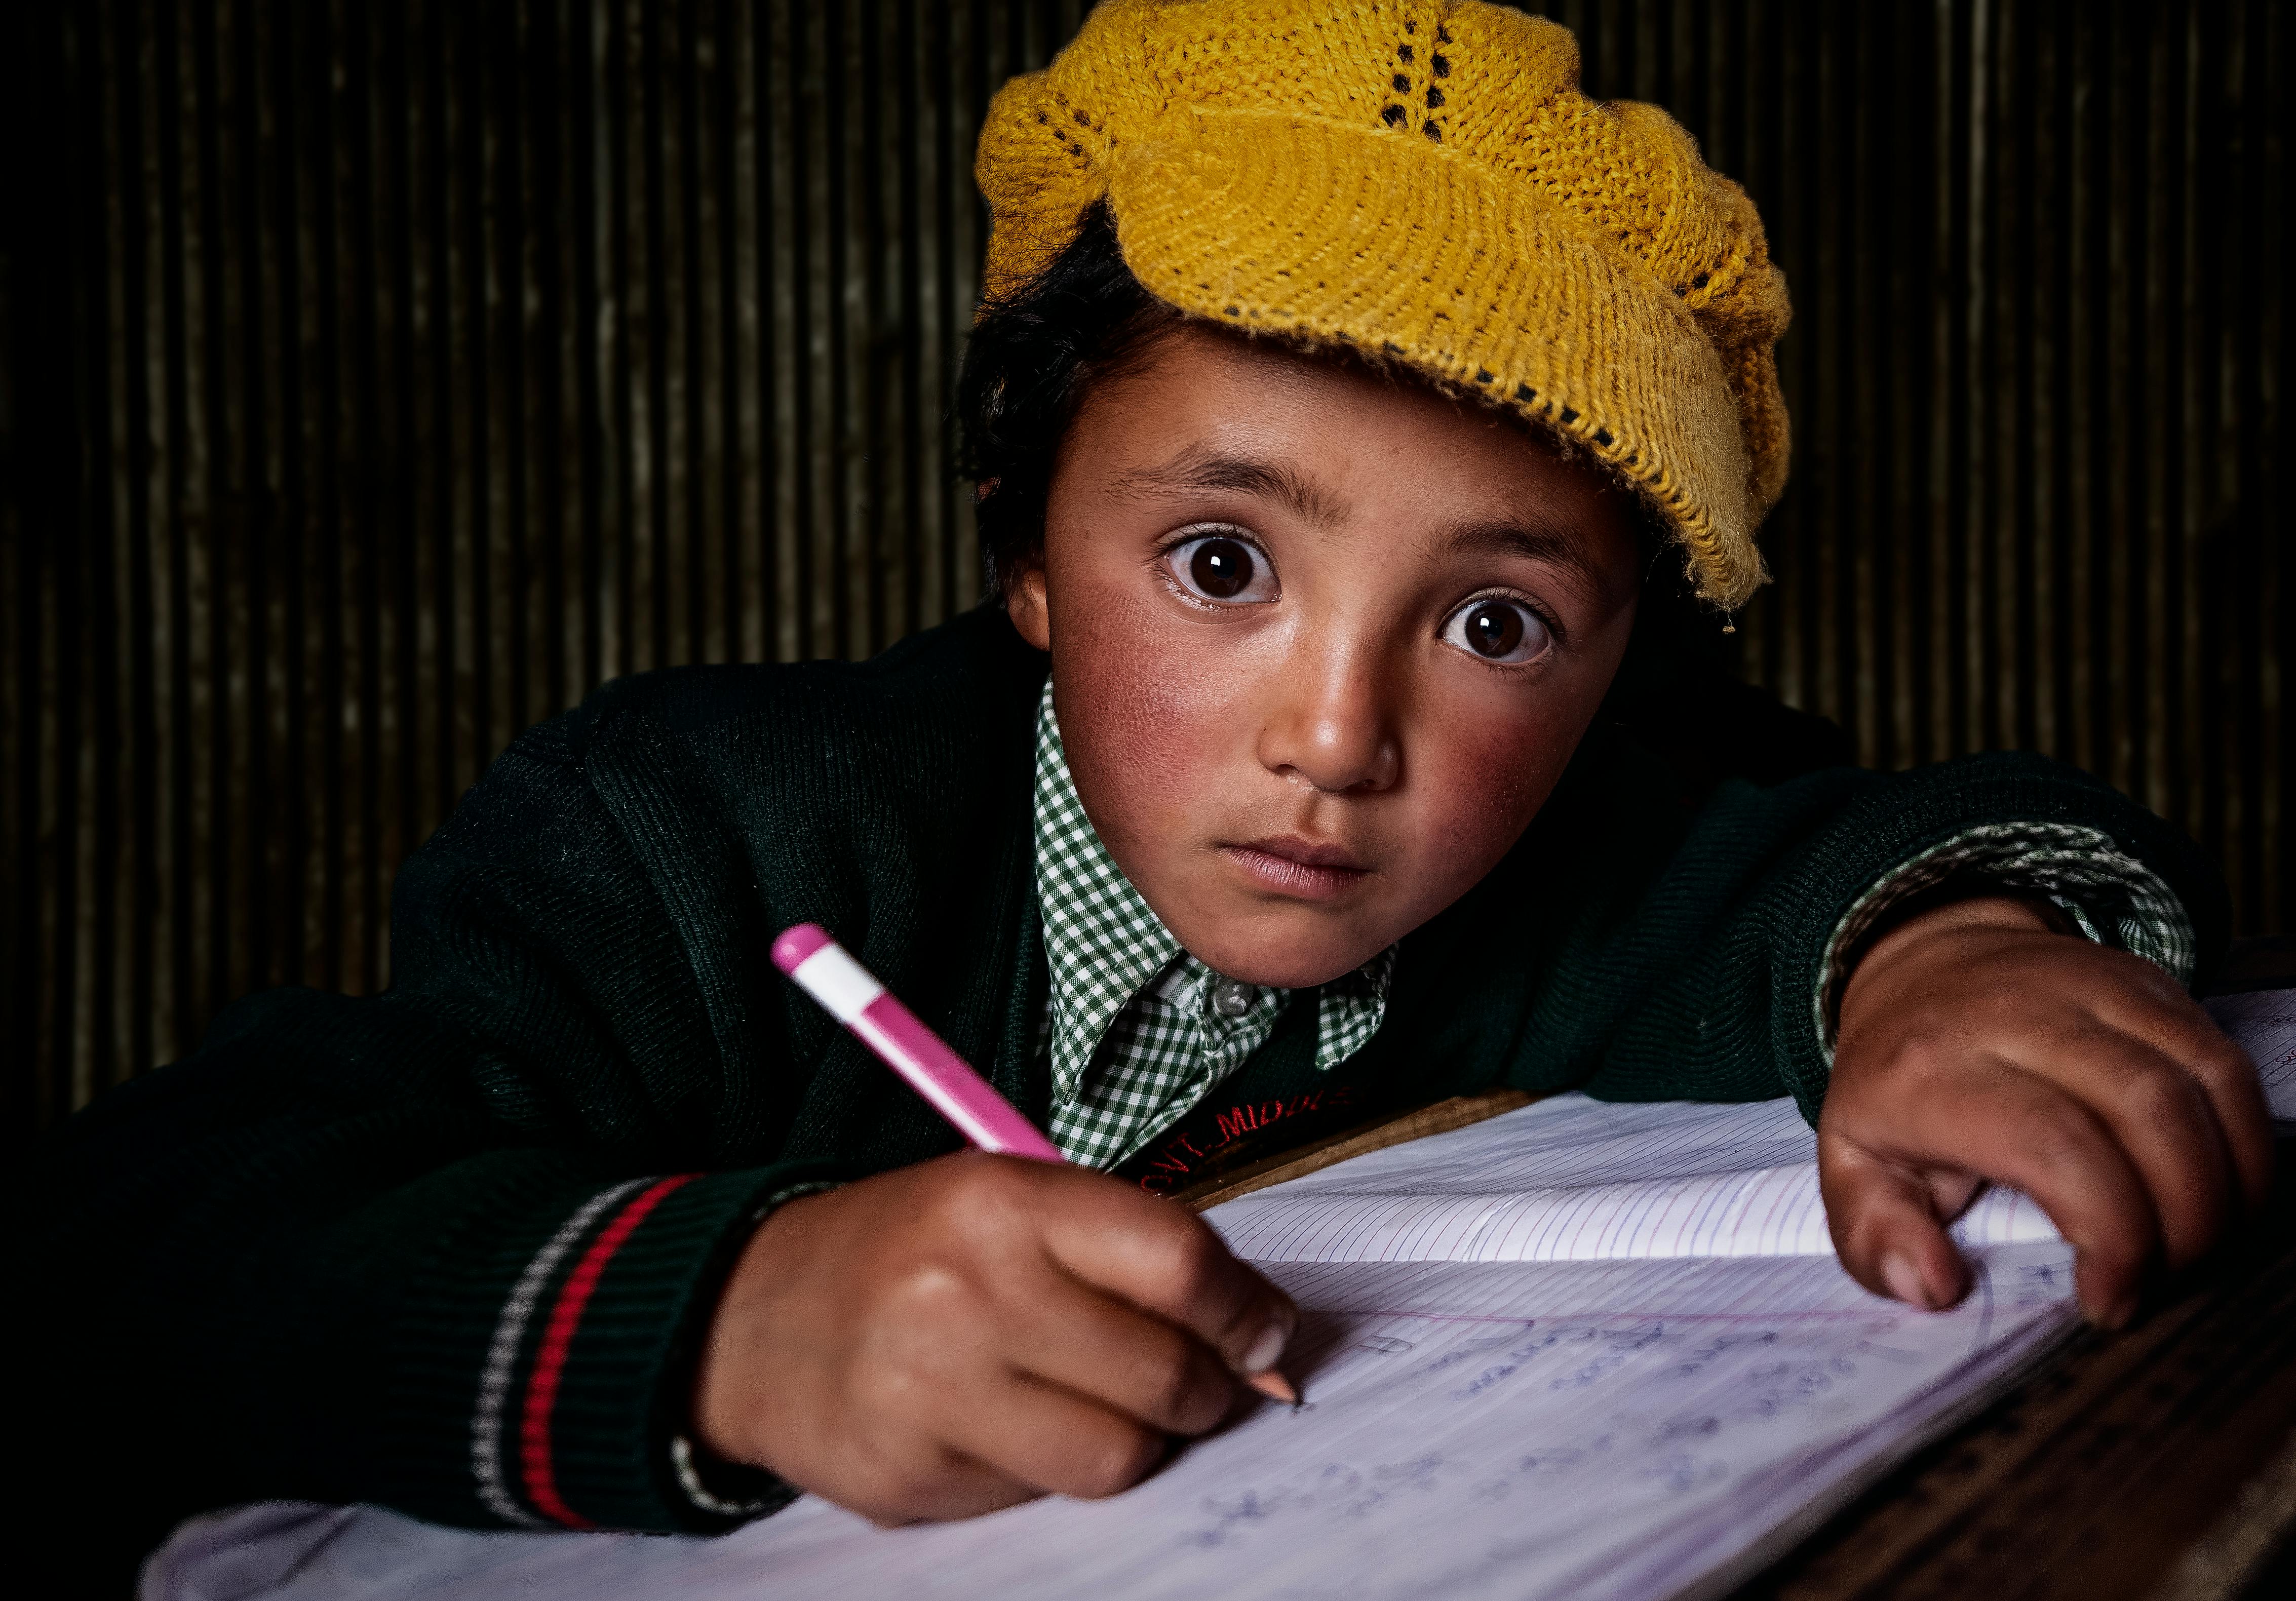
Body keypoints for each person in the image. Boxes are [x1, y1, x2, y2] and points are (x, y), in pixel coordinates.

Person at [24, 0, 2269, 1582]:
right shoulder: (700, 837)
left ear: (1610, 684)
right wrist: (730, 1316)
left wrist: (1951, 946)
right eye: (1222, 565)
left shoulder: (1582, 858)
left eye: (1496, 623)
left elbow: (1849, 844)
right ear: (1022, 539)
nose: (1336, 736)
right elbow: (153, 1237)